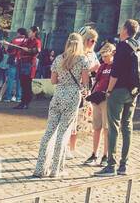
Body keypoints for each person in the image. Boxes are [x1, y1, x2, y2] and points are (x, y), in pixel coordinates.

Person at [32, 30, 97, 178]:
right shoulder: (82, 60)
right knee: (63, 133)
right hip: (73, 95)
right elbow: (85, 83)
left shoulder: (59, 59)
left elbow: (53, 81)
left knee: (49, 132)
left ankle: (40, 168)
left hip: (58, 94)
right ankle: (56, 169)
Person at [96, 19, 140, 177]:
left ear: (125, 30)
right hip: (133, 91)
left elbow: (115, 72)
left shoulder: (123, 45)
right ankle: (124, 165)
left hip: (119, 90)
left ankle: (111, 165)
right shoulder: (138, 45)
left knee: (113, 127)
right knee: (127, 126)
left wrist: (109, 91)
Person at [83, 42, 115, 165]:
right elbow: (97, 81)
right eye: (102, 56)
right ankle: (94, 153)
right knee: (97, 128)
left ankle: (105, 155)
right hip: (97, 98)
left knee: (106, 128)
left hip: (107, 99)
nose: (104, 58)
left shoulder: (115, 67)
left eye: (106, 56)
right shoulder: (102, 67)